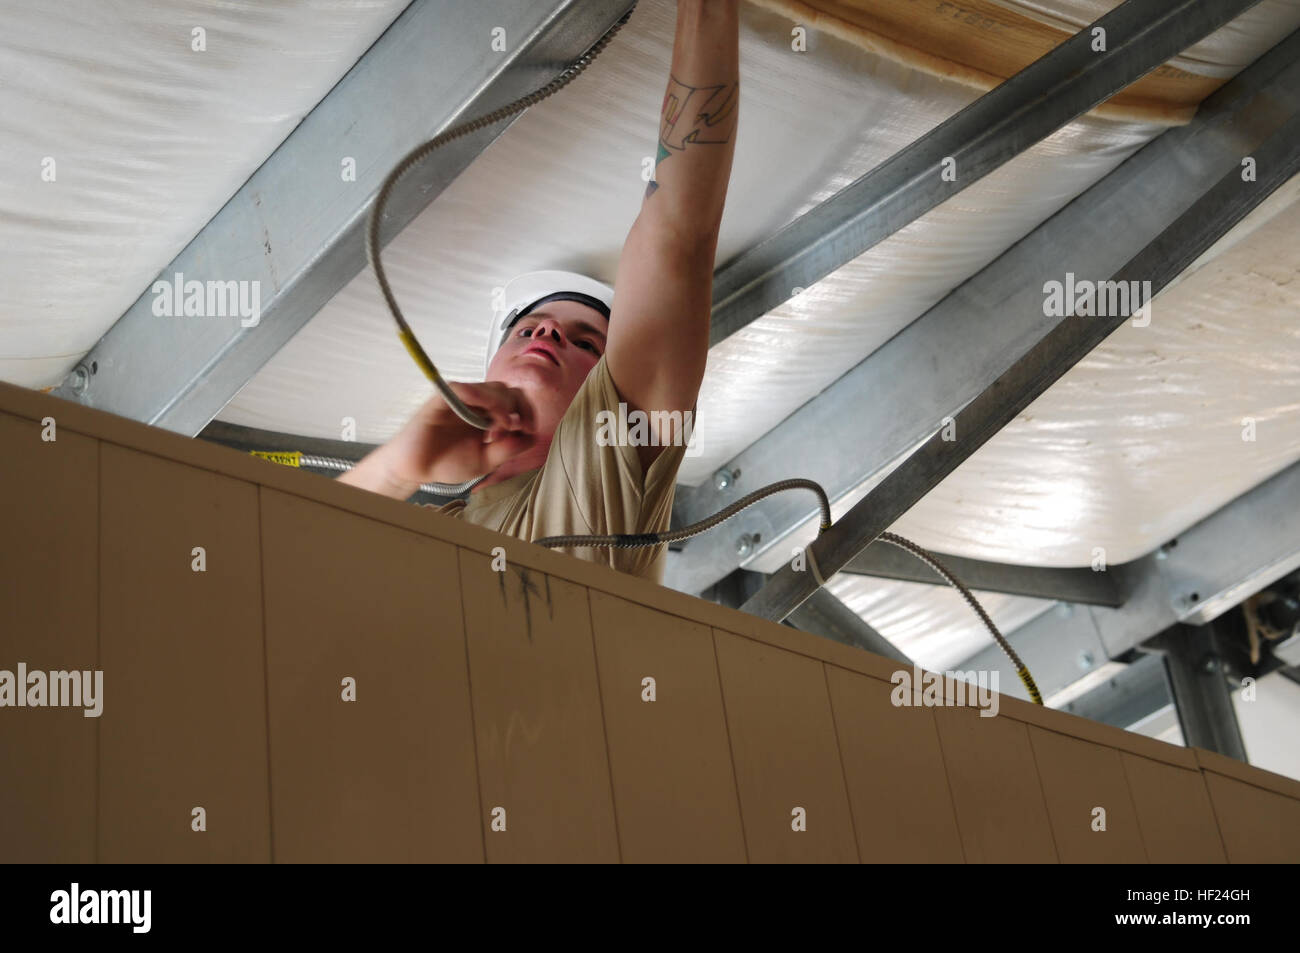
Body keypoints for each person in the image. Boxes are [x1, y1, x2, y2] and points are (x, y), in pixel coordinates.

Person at [340, 0, 739, 584]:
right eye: (528, 330)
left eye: (585, 342)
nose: (548, 331)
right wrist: (400, 466)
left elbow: (679, 235)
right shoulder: (441, 527)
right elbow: (283, 568)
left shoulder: (608, 475)